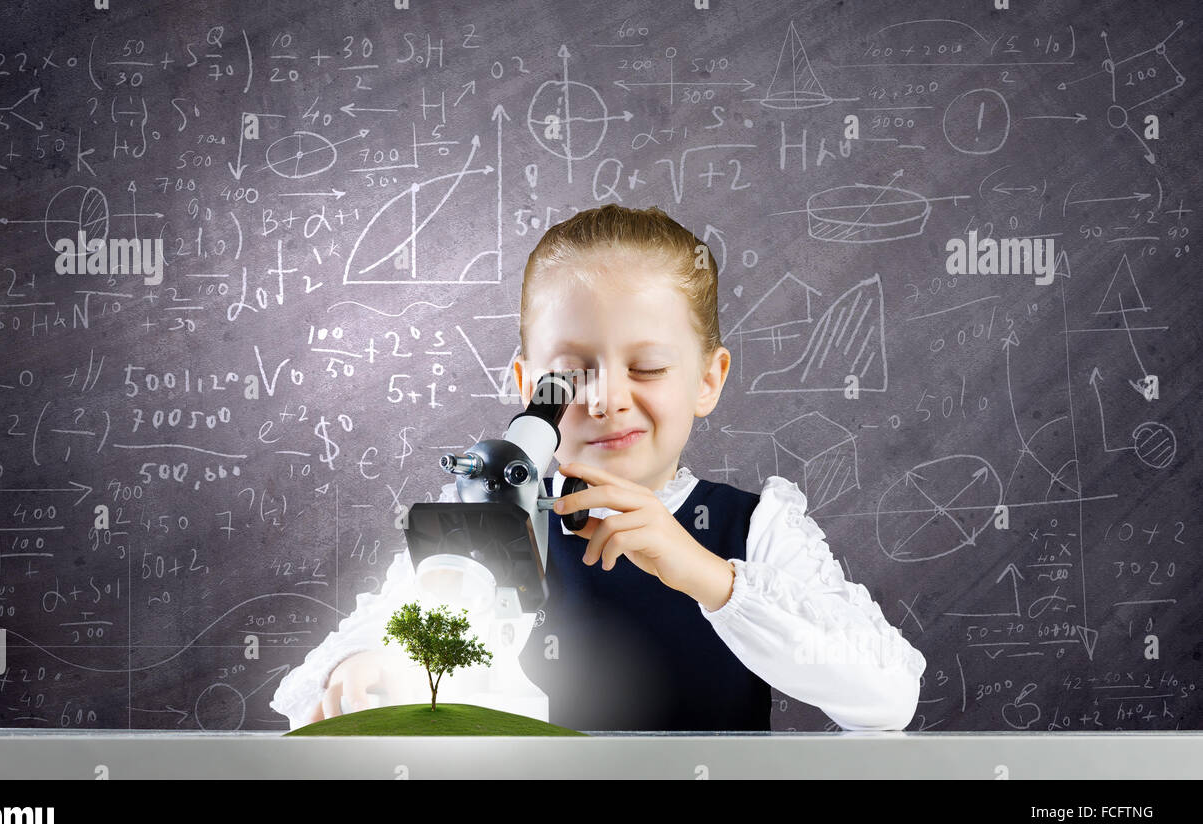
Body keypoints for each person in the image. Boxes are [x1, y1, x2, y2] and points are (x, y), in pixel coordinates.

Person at [270, 203, 927, 732]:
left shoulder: (755, 531)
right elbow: (372, 655)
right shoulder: (484, 522)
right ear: (528, 385)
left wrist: (708, 577)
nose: (607, 396)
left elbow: (887, 698)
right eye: (570, 375)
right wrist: (359, 668)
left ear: (708, 378)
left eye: (647, 367)